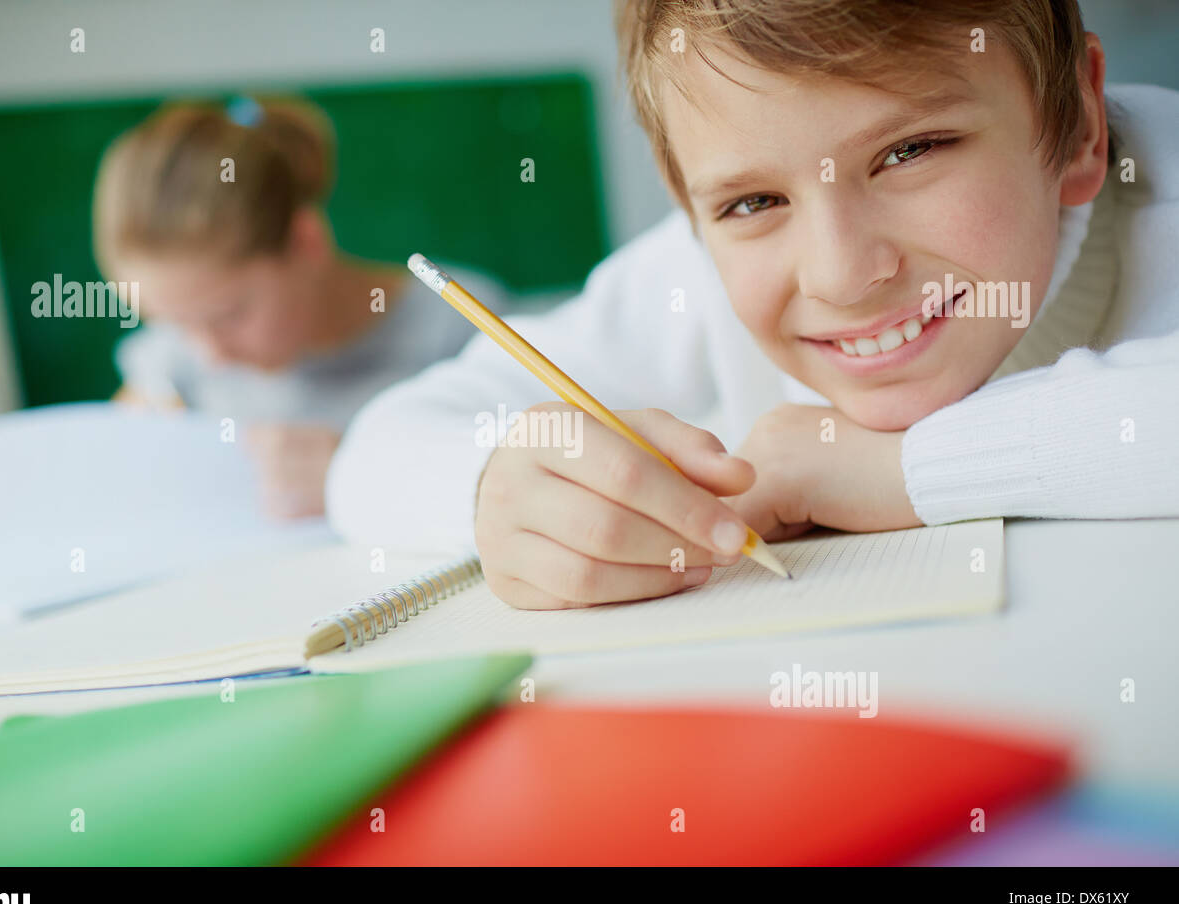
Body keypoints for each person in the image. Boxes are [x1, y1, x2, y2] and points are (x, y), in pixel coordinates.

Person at [325, 0, 1178, 608]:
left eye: (910, 151)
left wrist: (898, 470)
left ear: (1078, 127)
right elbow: (378, 451)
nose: (841, 276)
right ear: (688, 207)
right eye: (750, 204)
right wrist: (496, 489)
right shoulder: (681, 280)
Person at [93, 95, 502, 517]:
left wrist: (363, 473)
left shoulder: (461, 328)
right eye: (171, 323)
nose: (210, 356)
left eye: (227, 316)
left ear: (306, 243)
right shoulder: (172, 365)